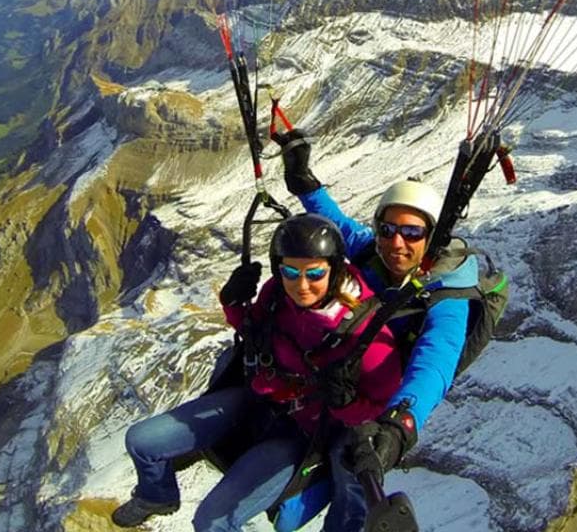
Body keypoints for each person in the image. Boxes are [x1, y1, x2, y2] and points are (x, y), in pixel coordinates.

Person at [114, 213, 402, 532]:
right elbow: (257, 336)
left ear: (334, 270)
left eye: (315, 274)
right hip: (259, 402)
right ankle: (157, 495)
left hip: (301, 435)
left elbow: (382, 410)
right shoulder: (278, 293)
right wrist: (234, 305)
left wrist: (345, 404)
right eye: (289, 271)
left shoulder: (369, 338)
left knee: (211, 522)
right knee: (141, 442)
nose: (301, 285)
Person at [273, 129, 481, 477]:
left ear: (431, 237)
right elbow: (339, 224)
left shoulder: (448, 297)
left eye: (412, 233)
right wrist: (305, 185)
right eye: (388, 230)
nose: (396, 242)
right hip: (337, 383)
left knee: (350, 484)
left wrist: (401, 423)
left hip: (377, 404)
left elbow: (434, 366)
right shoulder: (372, 252)